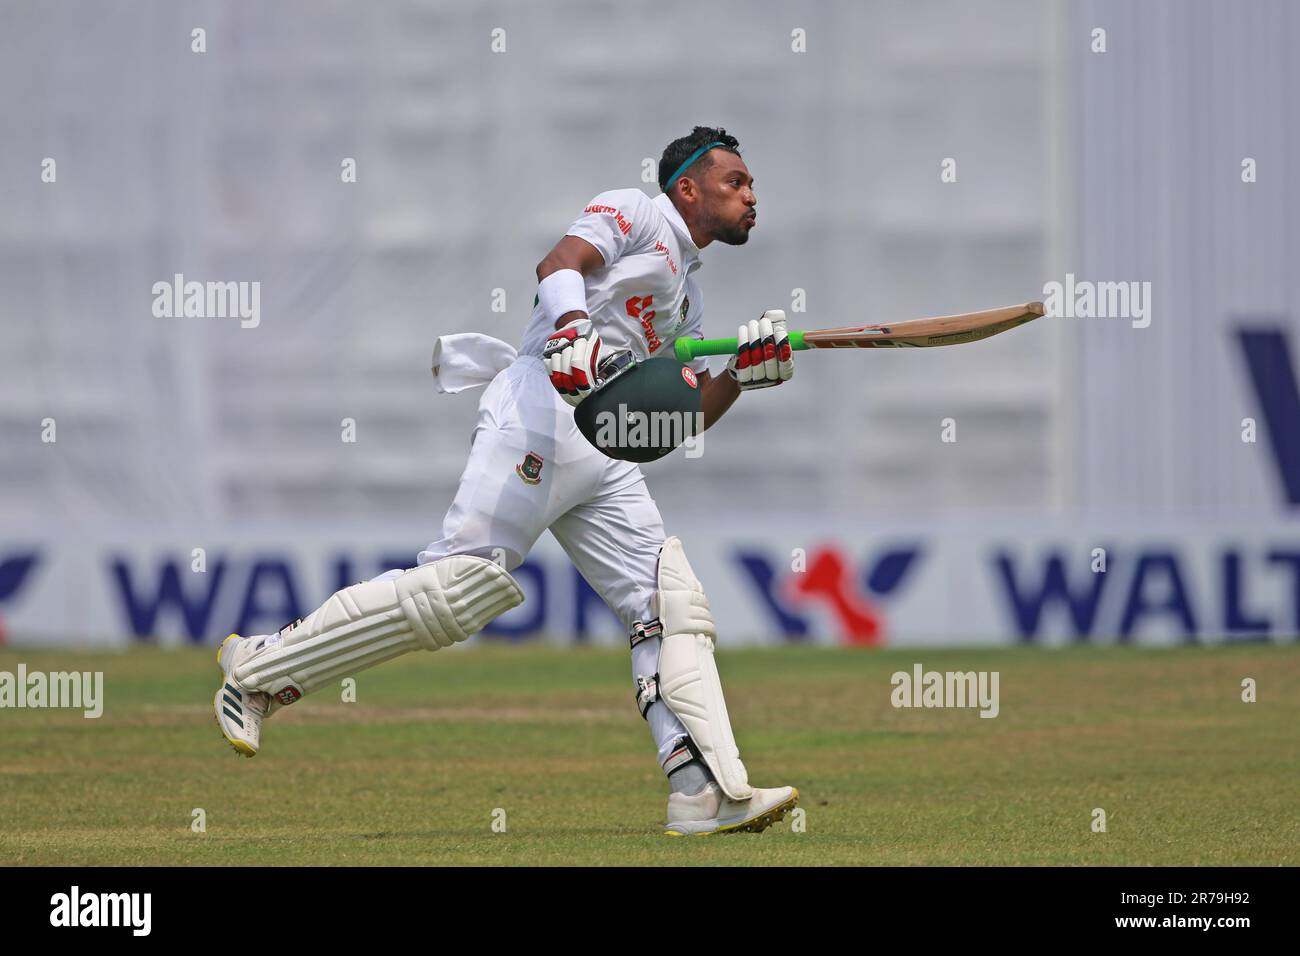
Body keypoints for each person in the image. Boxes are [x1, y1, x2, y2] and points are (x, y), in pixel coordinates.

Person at [213, 125, 798, 835]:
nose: (750, 194)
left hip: (604, 453)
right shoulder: (638, 212)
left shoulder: (686, 300)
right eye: (735, 181)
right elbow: (559, 263)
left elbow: (671, 422)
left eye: (751, 185)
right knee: (456, 590)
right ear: (688, 187)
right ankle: (258, 669)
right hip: (540, 410)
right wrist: (574, 328)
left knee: (667, 607)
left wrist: (740, 374)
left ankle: (703, 791)